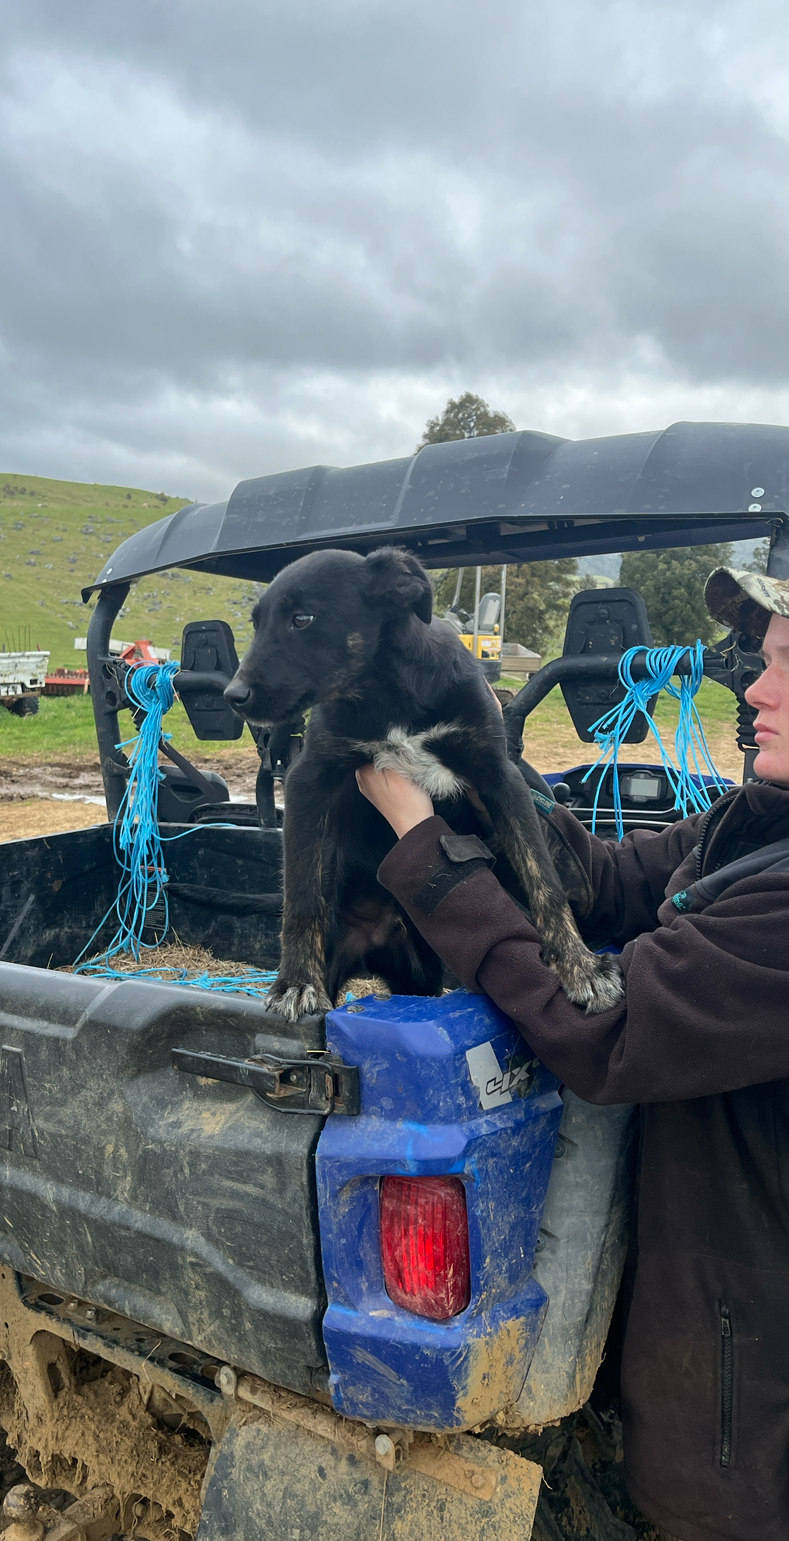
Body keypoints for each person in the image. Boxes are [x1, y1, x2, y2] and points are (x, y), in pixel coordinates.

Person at [355, 567, 789, 1541]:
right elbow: (602, 880)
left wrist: (421, 846)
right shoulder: (754, 823)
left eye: (784, 667)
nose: (753, 691)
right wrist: (472, 771)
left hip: (749, 1371)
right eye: (758, 663)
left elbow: (600, 1026)